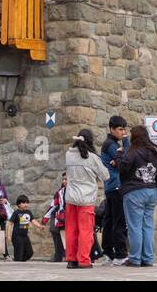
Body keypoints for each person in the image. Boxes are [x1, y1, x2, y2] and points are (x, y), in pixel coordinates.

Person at [118, 124, 157, 268]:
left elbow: (123, 169)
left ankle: (135, 259)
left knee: (134, 226)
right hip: (152, 191)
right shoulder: (154, 153)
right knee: (148, 226)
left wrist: (119, 155)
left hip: (135, 192)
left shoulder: (133, 152)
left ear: (135, 137)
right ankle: (148, 258)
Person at [65, 129, 109, 269]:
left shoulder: (68, 155)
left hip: (70, 198)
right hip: (86, 199)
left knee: (71, 230)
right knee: (86, 231)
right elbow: (106, 175)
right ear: (90, 141)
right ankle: (83, 260)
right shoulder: (93, 158)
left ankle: (71, 260)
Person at [100, 115, 130, 265]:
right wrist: (126, 142)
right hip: (116, 186)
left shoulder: (109, 144)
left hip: (110, 186)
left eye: (124, 130)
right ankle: (120, 255)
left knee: (110, 220)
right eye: (120, 129)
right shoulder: (111, 145)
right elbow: (127, 161)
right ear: (112, 129)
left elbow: (120, 161)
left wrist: (117, 160)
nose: (123, 132)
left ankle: (108, 253)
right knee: (119, 221)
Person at [8, 196, 43, 262]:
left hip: (25, 236)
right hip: (17, 236)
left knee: (29, 253)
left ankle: (19, 261)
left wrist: (39, 226)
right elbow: (10, 224)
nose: (26, 204)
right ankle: (18, 262)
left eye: (27, 203)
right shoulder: (16, 213)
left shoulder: (28, 212)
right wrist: (8, 235)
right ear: (18, 204)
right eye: (23, 203)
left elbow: (33, 220)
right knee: (19, 253)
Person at [43, 173, 67, 261]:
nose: (64, 181)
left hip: (73, 219)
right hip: (62, 220)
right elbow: (53, 205)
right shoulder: (59, 193)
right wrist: (45, 219)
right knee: (61, 241)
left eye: (66, 179)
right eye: (63, 179)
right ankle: (63, 258)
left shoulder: (75, 191)